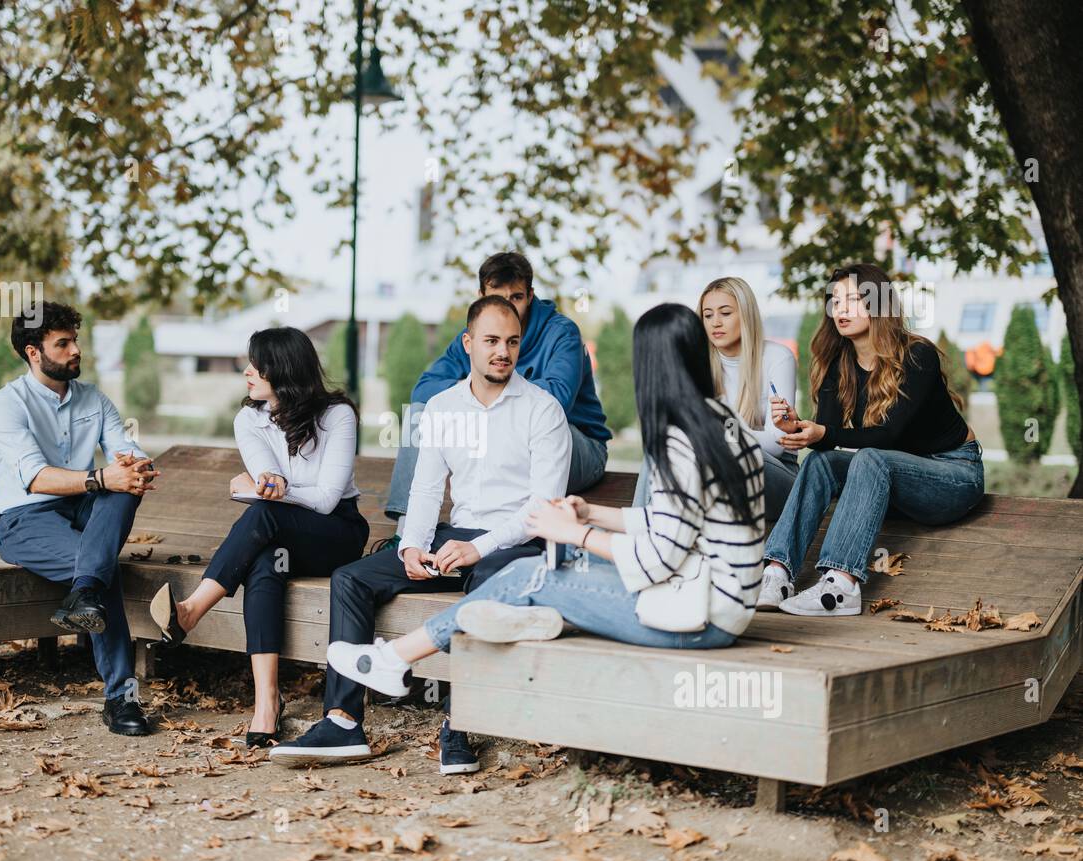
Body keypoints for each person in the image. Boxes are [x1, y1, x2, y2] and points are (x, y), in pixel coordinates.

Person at [324, 303, 765, 705]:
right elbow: (676, 522)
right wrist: (593, 513)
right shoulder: (723, 424)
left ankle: (398, 659)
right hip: (722, 603)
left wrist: (575, 533)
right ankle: (369, 689)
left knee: (526, 574)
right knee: (537, 575)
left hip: (699, 616)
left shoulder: (678, 440)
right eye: (492, 340)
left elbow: (657, 560)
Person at [269, 294, 572, 771]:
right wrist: (412, 544)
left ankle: (458, 725)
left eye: (512, 342)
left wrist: (478, 548)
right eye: (491, 340)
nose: (503, 352)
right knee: (352, 578)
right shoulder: (443, 407)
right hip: (455, 538)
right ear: (468, 343)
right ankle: (343, 720)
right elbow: (428, 489)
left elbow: (542, 509)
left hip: (516, 545)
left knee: (485, 585)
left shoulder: (543, 411)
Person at [147, 328, 369, 747]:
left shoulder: (337, 414)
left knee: (267, 516)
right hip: (280, 531)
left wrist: (267, 490)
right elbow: (268, 480)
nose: (247, 371)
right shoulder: (249, 418)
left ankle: (193, 609)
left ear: (283, 369)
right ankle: (266, 703)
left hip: (336, 533)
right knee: (265, 563)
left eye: (257, 364)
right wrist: (263, 487)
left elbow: (324, 500)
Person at [757, 262, 984, 616]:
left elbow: (888, 435)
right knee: (820, 462)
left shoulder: (915, 355)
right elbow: (827, 439)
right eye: (835, 301)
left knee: (871, 456)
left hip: (954, 475)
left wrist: (823, 432)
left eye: (853, 300)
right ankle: (777, 574)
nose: (841, 310)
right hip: (896, 476)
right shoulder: (838, 361)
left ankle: (841, 586)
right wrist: (800, 428)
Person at [0, 302, 159, 736]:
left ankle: (84, 594)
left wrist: (137, 467)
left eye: (74, 340)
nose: (75, 350)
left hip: (84, 515)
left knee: (121, 497)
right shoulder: (7, 405)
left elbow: (126, 451)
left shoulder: (94, 399)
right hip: (25, 521)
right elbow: (37, 478)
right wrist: (104, 476)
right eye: (62, 343)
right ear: (33, 352)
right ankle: (122, 700)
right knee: (104, 570)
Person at [381, 252, 610, 529]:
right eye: (498, 296)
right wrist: (473, 390)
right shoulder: (473, 335)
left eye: (517, 297)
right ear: (481, 296)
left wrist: (492, 388)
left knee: (545, 419)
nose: (507, 305)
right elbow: (424, 389)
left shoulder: (562, 333)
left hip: (575, 447)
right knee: (419, 414)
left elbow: (557, 399)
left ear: (531, 295)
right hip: (500, 442)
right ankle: (405, 533)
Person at [634, 277, 797, 527]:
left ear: (746, 315)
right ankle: (645, 527)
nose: (715, 323)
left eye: (725, 313)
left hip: (774, 477)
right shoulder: (698, 363)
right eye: (707, 315)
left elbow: (777, 444)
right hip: (717, 476)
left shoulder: (777, 357)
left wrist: (725, 429)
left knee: (724, 449)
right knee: (661, 443)